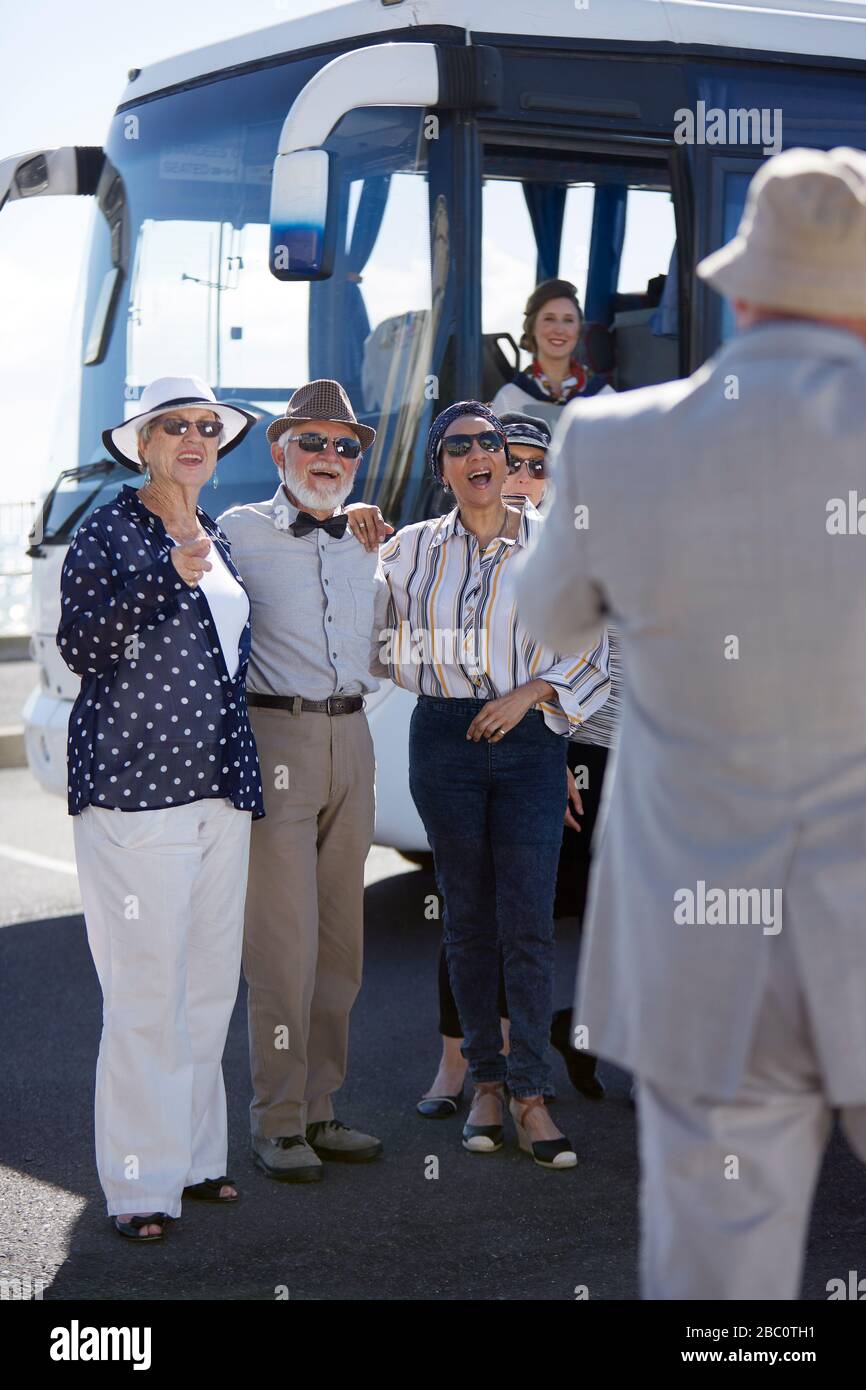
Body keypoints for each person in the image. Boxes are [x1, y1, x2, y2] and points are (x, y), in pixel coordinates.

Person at [515, 146, 866, 1297]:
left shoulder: (615, 442)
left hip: (697, 940)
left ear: (738, 287)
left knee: (716, 1287)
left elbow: (551, 619)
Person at [58, 376, 263, 1241]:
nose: (194, 437)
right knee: (146, 995)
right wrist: (159, 580)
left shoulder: (215, 532)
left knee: (210, 987)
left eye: (207, 427)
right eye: (173, 425)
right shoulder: (108, 527)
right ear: (141, 443)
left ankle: (196, 1158)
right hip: (135, 792)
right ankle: (140, 1186)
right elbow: (82, 645)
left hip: (219, 787)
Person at [380, 401, 610, 1169]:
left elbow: (591, 645)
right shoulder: (409, 550)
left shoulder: (556, 544)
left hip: (530, 741)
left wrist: (528, 693)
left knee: (529, 924)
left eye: (492, 444)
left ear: (507, 463)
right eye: (459, 446)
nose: (480, 456)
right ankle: (483, 1082)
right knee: (467, 921)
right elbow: (378, 642)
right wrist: (450, 679)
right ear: (442, 466)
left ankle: (530, 1095)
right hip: (442, 737)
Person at [219, 379, 391, 1184]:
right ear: (280, 449)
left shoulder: (368, 537)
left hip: (352, 739)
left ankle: (322, 1111)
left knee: (341, 948)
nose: (330, 457)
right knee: (282, 949)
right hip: (274, 738)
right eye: (314, 442)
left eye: (345, 446)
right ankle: (276, 1121)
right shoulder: (236, 533)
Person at [491, 279, 613, 416]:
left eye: (568, 320)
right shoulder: (510, 399)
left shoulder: (604, 397)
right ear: (532, 327)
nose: (559, 330)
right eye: (549, 319)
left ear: (578, 330)